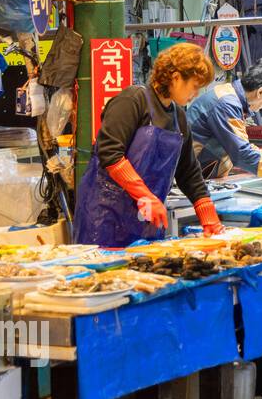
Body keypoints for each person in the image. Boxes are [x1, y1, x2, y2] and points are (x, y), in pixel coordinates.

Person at [73, 42, 223, 248]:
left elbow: (188, 172)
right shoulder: (133, 100)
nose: (195, 94)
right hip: (105, 214)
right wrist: (145, 195)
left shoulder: (179, 116)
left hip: (146, 218)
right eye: (195, 86)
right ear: (176, 77)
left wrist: (209, 216)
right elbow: (110, 153)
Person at [189, 57, 262, 181]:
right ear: (261, 92)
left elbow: (240, 143)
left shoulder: (231, 97)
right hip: (188, 180)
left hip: (201, 177)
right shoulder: (226, 104)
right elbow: (241, 153)